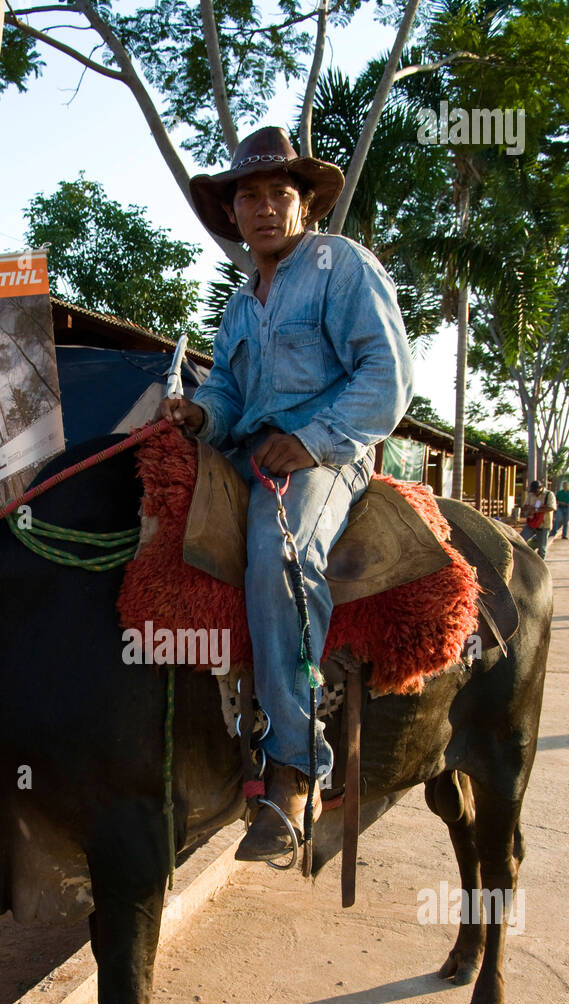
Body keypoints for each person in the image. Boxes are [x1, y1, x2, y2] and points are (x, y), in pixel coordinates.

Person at [159, 127, 414, 859]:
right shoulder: (240, 307)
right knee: (145, 527)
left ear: (305, 206)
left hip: (327, 455)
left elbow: (386, 380)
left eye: (280, 193)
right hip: (246, 452)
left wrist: (309, 441)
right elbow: (229, 395)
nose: (264, 207)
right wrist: (197, 414)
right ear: (231, 212)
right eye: (249, 195)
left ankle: (296, 769)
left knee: (276, 551)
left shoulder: (342, 268)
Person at [521, 480, 555, 559]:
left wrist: (537, 510)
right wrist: (529, 509)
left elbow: (551, 507)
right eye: (533, 492)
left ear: (541, 488)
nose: (535, 493)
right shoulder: (531, 495)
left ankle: (541, 567)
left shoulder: (549, 495)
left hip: (543, 524)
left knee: (542, 548)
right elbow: (525, 506)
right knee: (521, 540)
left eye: (536, 491)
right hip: (532, 523)